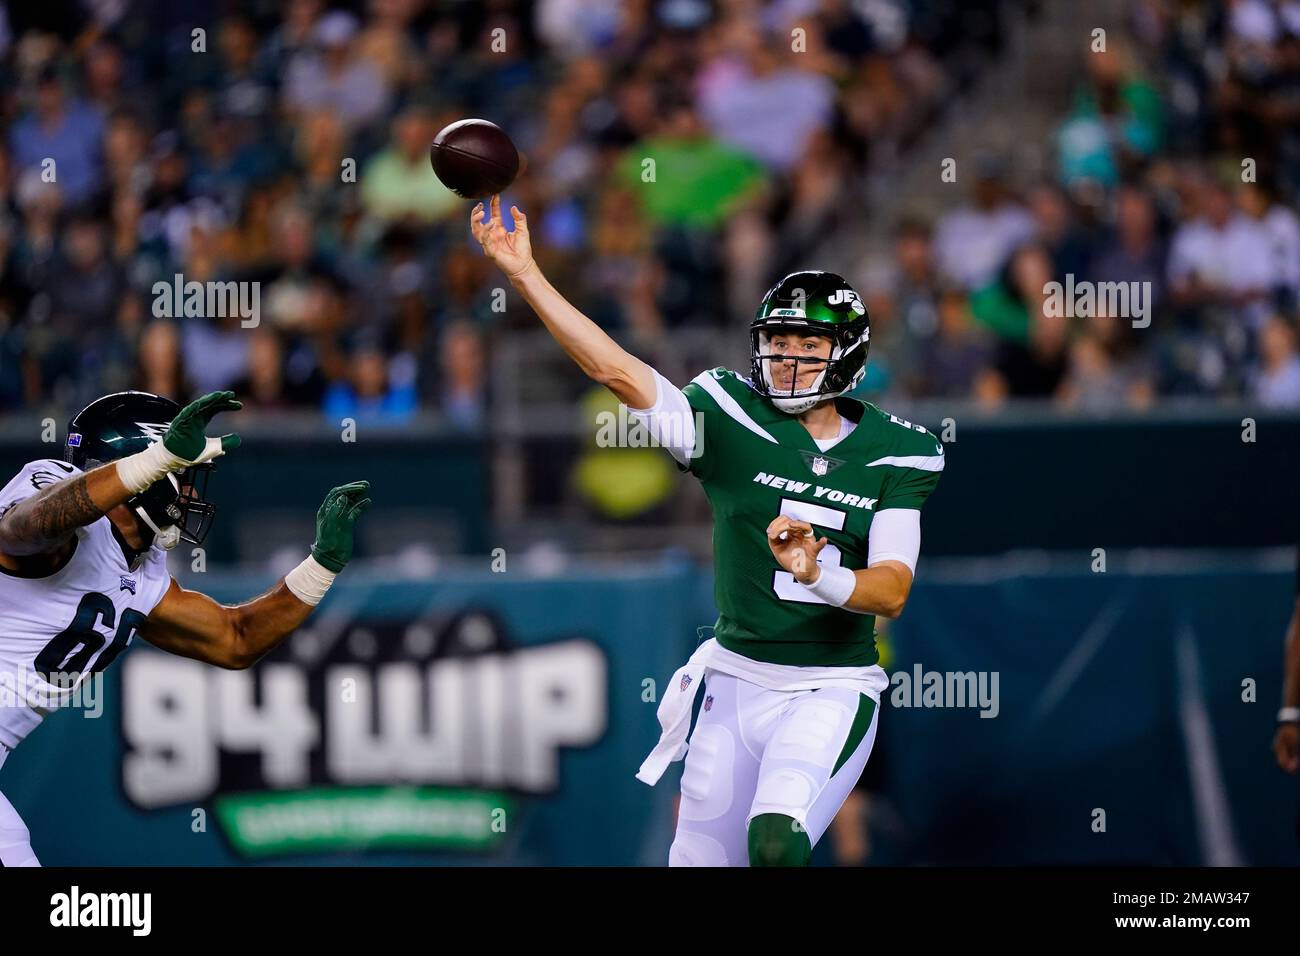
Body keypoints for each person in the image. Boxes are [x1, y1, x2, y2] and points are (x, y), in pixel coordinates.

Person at [471, 196, 942, 866]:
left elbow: (892, 589)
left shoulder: (899, 452)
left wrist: (817, 572)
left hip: (830, 684)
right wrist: (526, 276)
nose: (787, 360)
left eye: (808, 346)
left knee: (776, 843)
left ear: (847, 355)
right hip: (734, 677)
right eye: (777, 344)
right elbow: (616, 371)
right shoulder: (728, 412)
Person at [0, 390, 370, 866]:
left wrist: (321, 567)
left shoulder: (143, 572)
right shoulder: (53, 489)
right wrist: (156, 459)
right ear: (147, 467)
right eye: (184, 474)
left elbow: (236, 639)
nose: (193, 493)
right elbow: (25, 528)